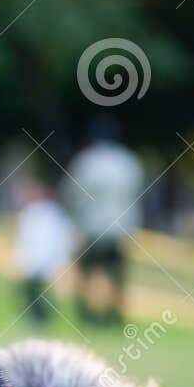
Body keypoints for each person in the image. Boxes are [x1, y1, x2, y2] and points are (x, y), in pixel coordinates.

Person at [66, 117, 143, 326]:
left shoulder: (86, 161)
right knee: (117, 276)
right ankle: (114, 316)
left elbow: (74, 193)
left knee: (86, 274)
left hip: (93, 228)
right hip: (120, 229)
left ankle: (88, 316)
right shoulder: (128, 161)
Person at [13, 177, 74, 323]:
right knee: (32, 289)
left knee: (39, 290)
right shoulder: (34, 213)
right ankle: (36, 316)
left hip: (42, 259)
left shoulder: (45, 214)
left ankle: (41, 317)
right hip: (36, 259)